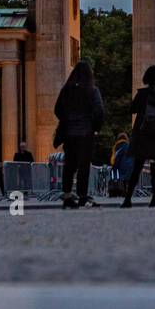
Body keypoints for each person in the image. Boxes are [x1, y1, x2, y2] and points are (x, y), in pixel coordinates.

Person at [54, 60, 105, 209]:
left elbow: (57, 109)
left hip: (69, 133)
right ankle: (82, 196)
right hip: (86, 134)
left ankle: (67, 196)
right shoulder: (92, 90)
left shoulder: (66, 90)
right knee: (84, 166)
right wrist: (95, 127)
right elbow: (99, 111)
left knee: (69, 165)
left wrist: (66, 120)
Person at [123, 64, 155, 208]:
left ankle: (127, 199)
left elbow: (132, 109)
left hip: (143, 135)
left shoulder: (142, 94)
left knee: (137, 167)